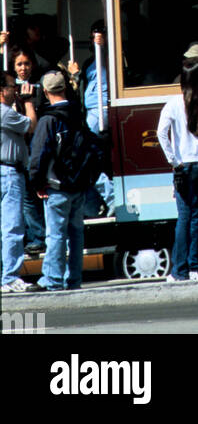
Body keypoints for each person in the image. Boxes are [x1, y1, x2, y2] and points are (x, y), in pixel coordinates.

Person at [157, 58, 198, 282]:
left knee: (185, 217)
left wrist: (173, 160)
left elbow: (161, 133)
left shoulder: (174, 103)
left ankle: (181, 270)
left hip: (184, 164)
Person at [28, 70, 88, 292]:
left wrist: (37, 183)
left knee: (56, 235)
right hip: (78, 185)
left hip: (56, 186)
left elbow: (38, 156)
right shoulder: (77, 114)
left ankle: (52, 279)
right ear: (64, 87)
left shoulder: (48, 120)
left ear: (45, 91)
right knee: (76, 234)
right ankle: (74, 279)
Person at [68, 20, 114, 218]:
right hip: (90, 110)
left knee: (83, 155)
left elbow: (112, 69)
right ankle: (99, 202)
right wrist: (76, 75)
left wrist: (103, 46)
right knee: (85, 158)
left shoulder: (112, 56)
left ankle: (110, 198)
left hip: (101, 108)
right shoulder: (89, 62)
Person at [1, 69, 39, 293]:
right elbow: (31, 125)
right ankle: (9, 277)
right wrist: (29, 102)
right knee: (12, 227)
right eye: (11, 86)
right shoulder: (5, 113)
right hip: (9, 173)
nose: (15, 90)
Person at [10, 47, 47, 252]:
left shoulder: (38, 87)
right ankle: (34, 235)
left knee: (36, 191)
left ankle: (40, 234)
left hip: (34, 143)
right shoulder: (9, 88)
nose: (23, 68)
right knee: (25, 196)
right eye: (19, 64)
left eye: (26, 64)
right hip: (18, 145)